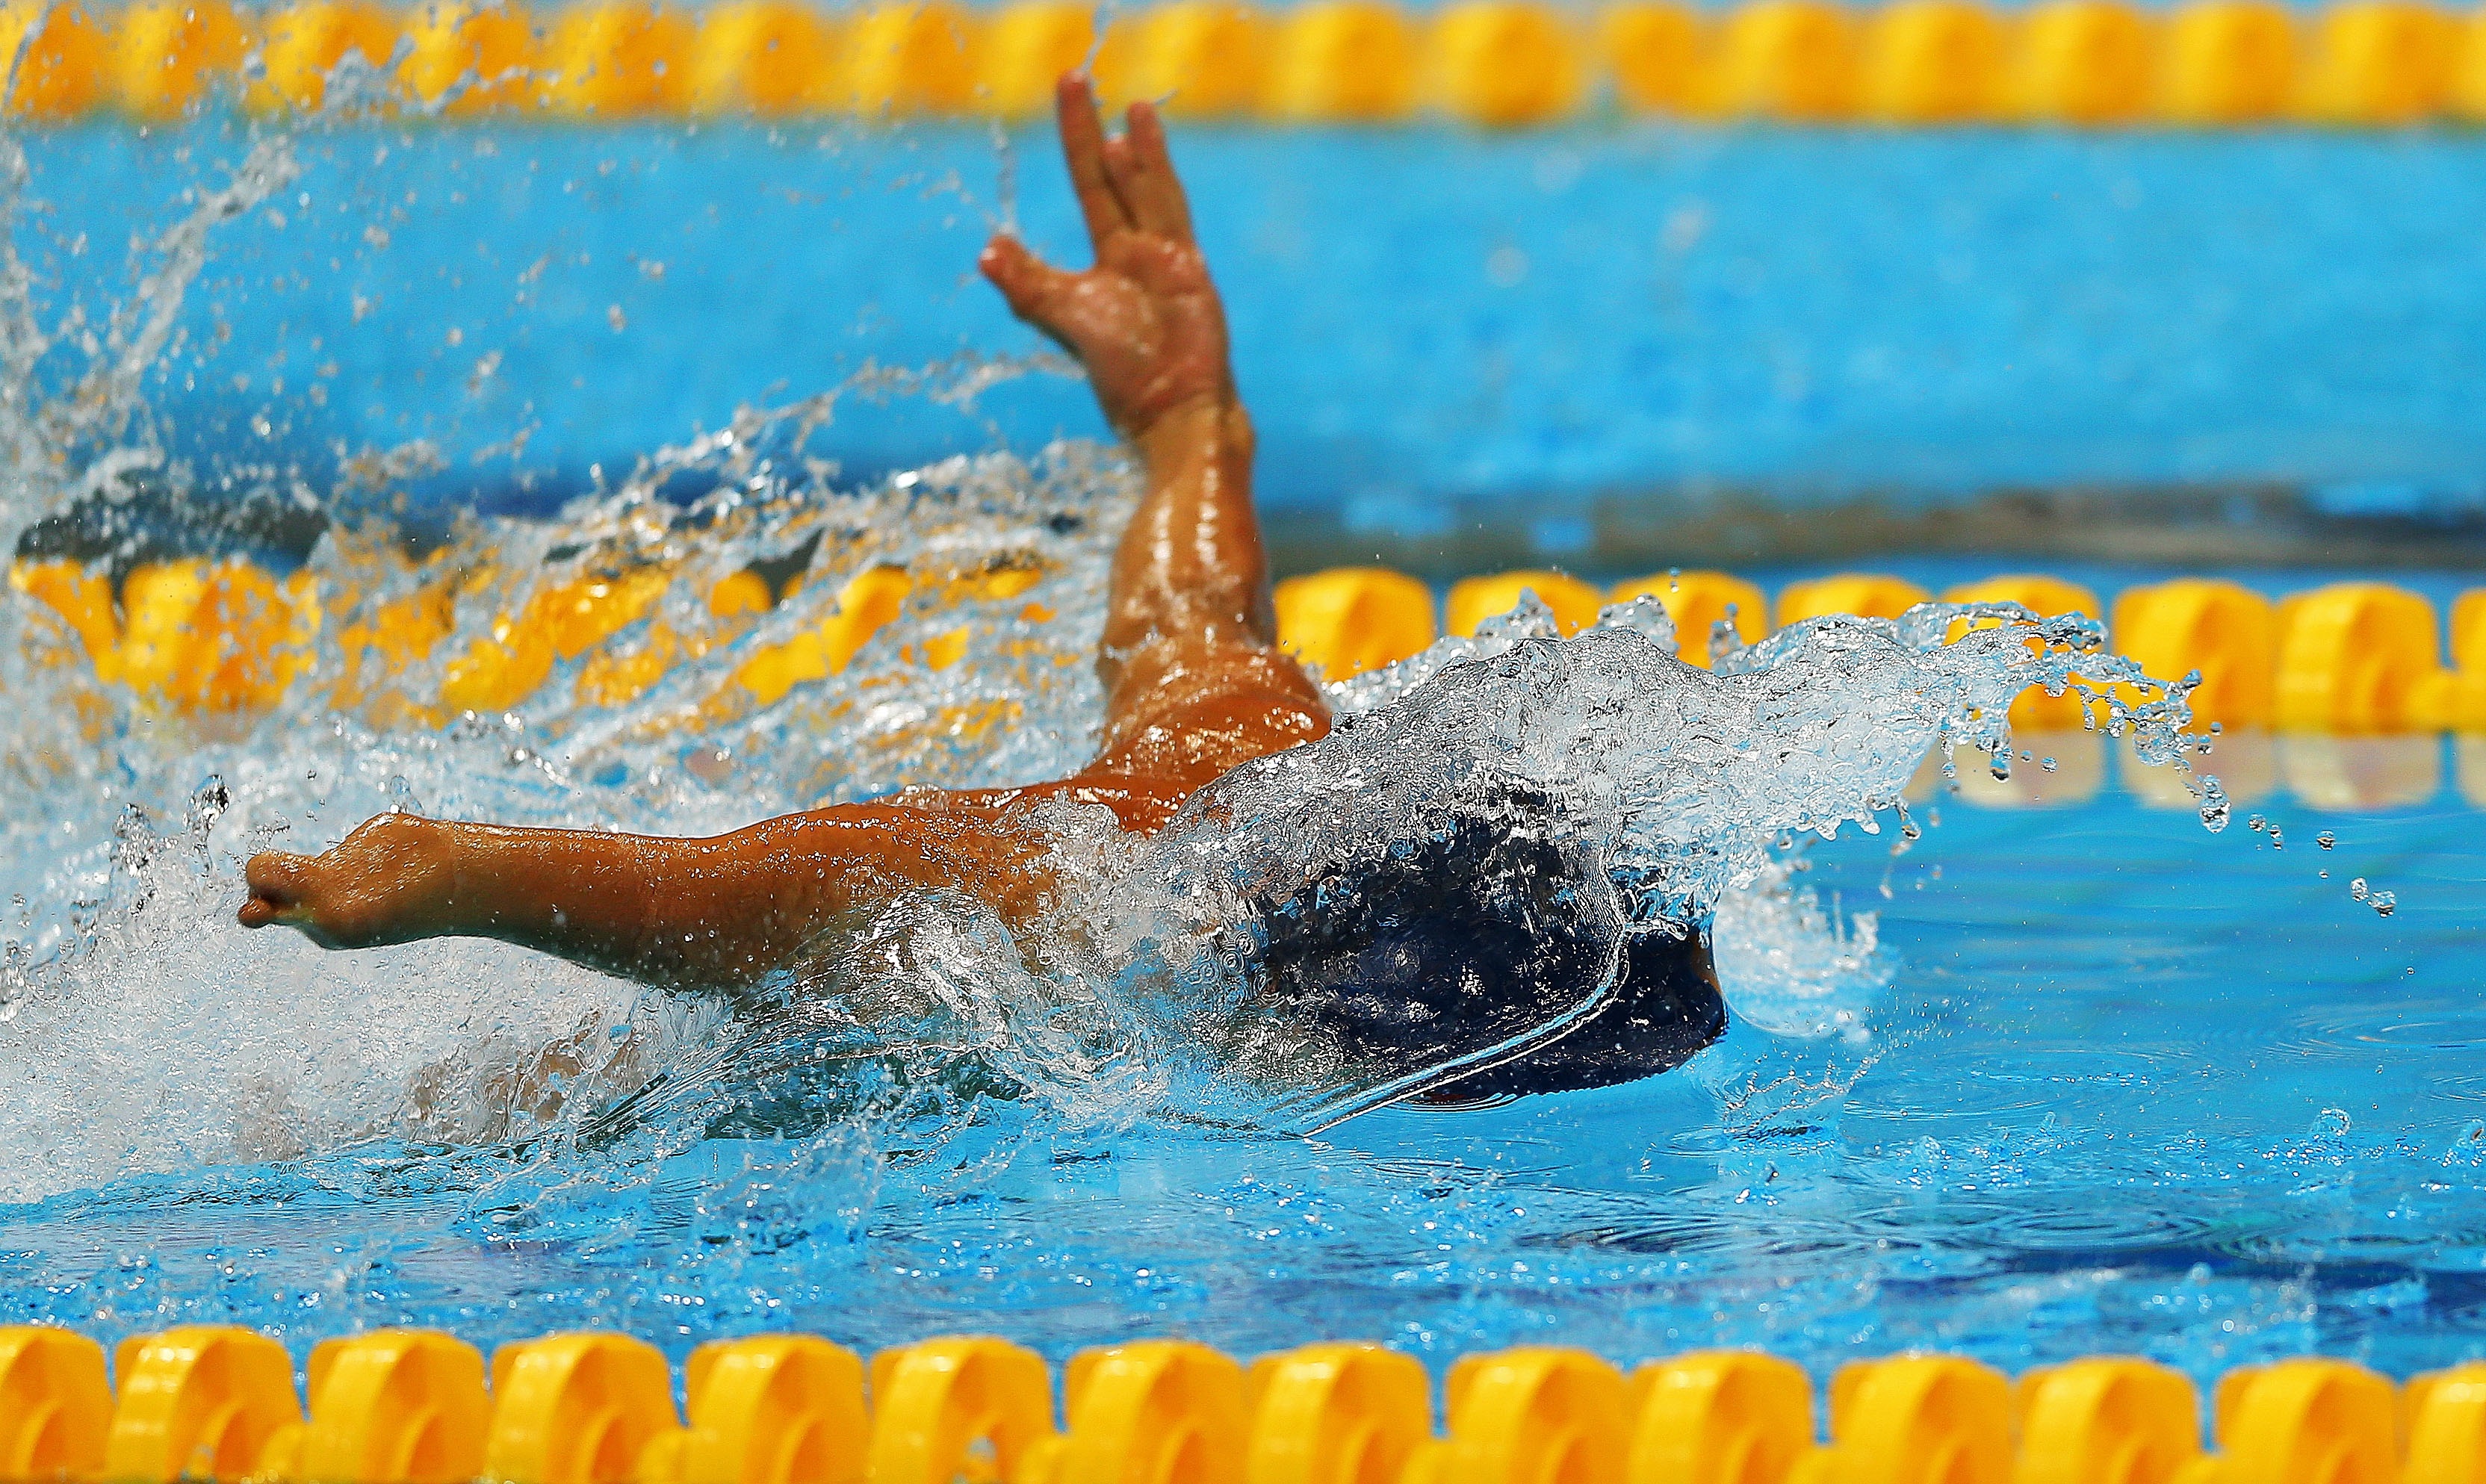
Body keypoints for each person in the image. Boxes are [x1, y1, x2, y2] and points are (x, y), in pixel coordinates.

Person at [241, 75, 1723, 1102]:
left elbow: (1189, 622)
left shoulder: (1264, 751)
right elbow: (759, 890)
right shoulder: (1132, 893)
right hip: (765, 1049)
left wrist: (1188, 429)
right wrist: (461, 876)